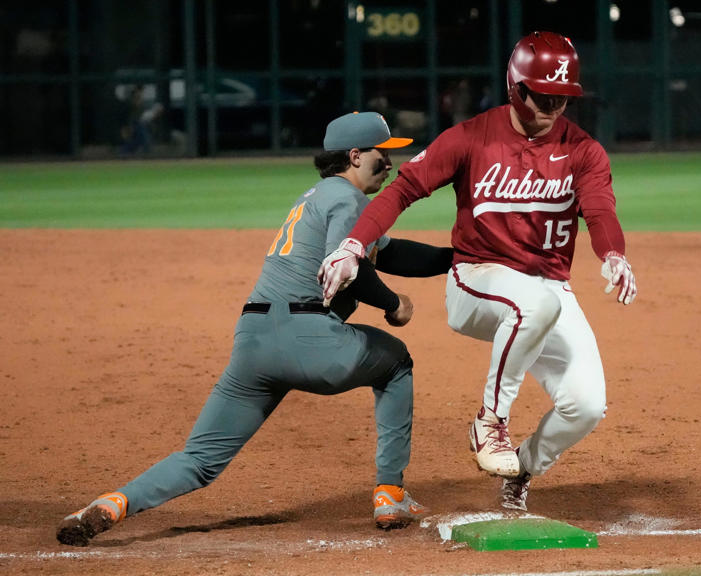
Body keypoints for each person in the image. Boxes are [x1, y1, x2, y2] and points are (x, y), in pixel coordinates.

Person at [56, 111, 454, 546]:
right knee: (395, 362)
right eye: (384, 153)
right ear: (355, 156)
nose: (391, 163)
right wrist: (394, 304)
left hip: (254, 342)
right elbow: (347, 264)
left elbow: (393, 255)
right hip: (311, 340)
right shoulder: (349, 201)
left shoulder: (319, 197)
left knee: (201, 458)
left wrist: (460, 255)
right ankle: (390, 494)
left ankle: (112, 503)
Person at [319, 32, 638, 512]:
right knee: (535, 305)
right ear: (516, 88)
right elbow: (400, 192)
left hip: (547, 289)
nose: (554, 106)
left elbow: (600, 211)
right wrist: (352, 245)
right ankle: (490, 422)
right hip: (477, 279)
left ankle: (523, 470)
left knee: (585, 405)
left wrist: (613, 254)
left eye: (563, 98)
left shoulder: (584, 151)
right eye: (544, 96)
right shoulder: (471, 137)